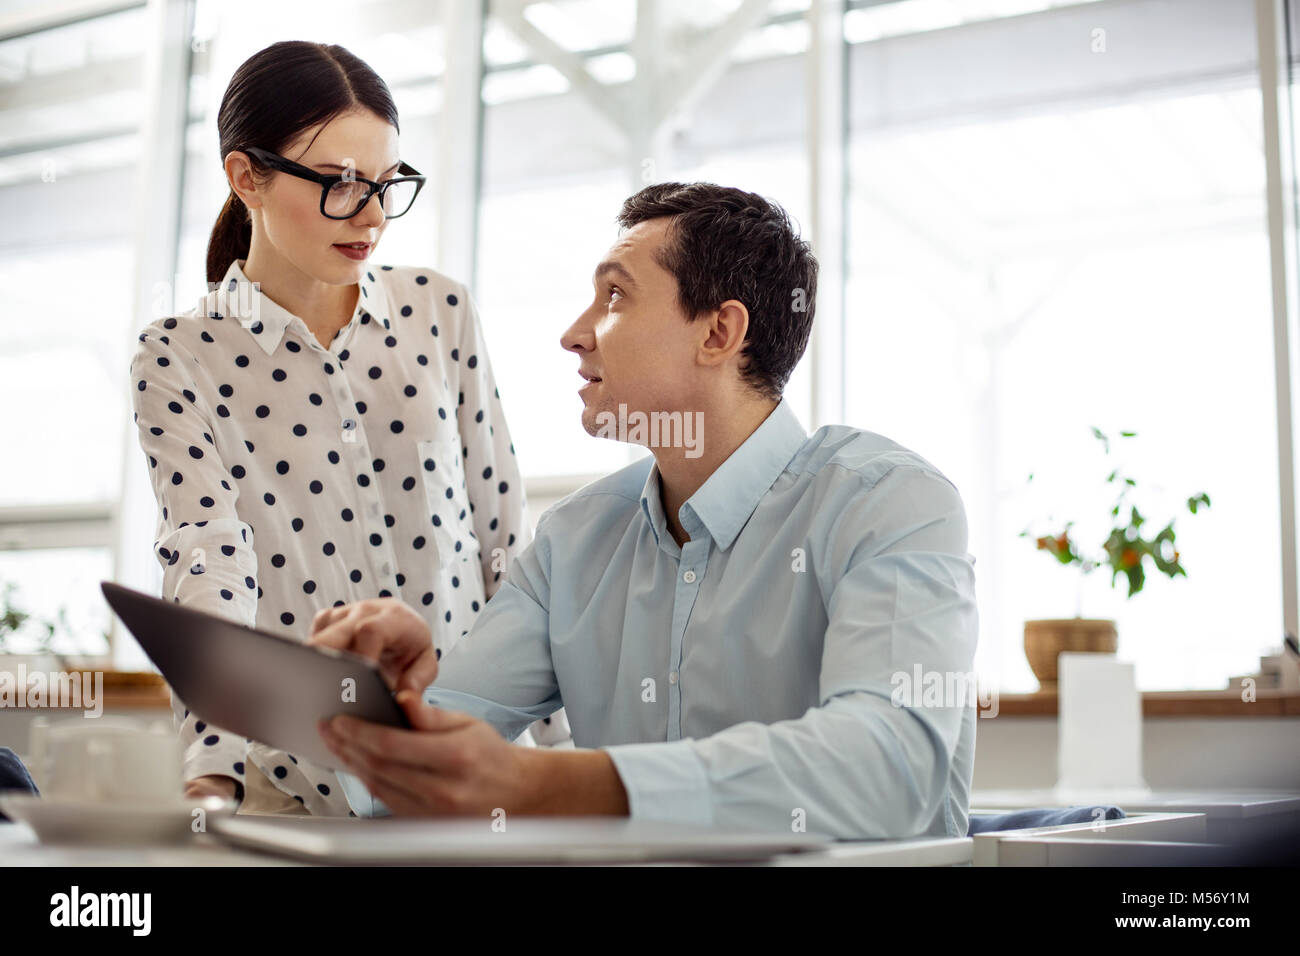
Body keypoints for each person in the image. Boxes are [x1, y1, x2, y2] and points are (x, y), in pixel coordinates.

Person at [309, 182, 980, 839]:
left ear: (720, 331)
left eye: (615, 296)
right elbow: (400, 787)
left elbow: (889, 770)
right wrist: (379, 705)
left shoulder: (890, 502)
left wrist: (549, 785)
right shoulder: (574, 539)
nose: (574, 334)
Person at [129, 40, 568, 818]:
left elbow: (505, 544)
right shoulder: (178, 357)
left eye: (387, 183)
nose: (370, 215)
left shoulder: (440, 312)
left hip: (468, 763)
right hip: (295, 786)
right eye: (337, 184)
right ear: (245, 177)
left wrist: (568, 756)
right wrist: (213, 775)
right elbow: (209, 562)